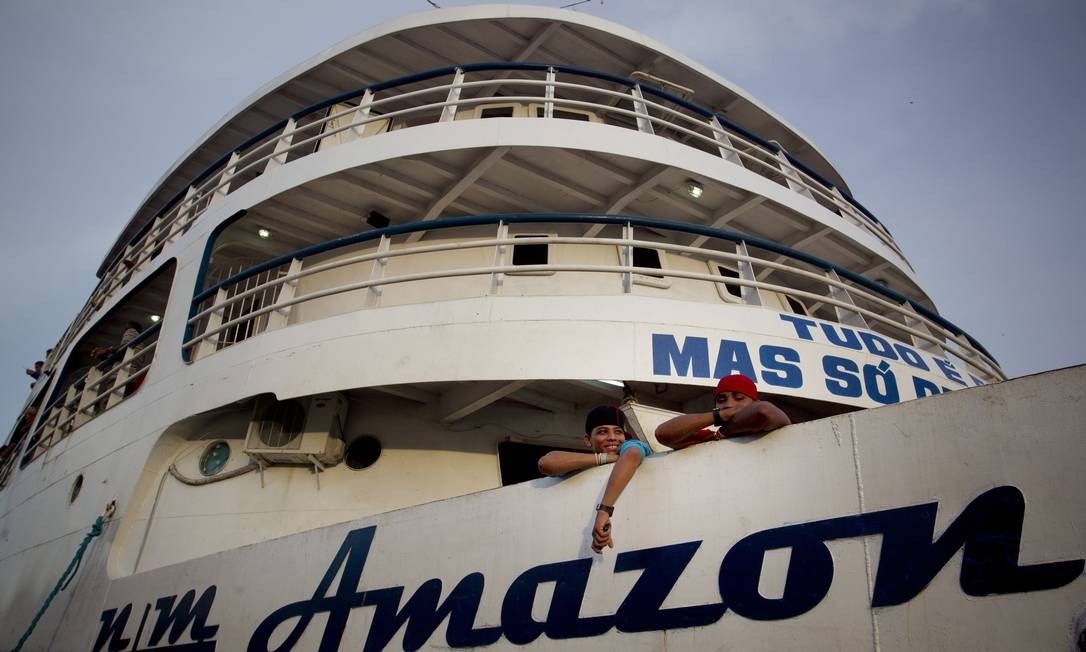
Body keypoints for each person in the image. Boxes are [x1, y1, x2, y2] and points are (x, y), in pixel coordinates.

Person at [538, 405, 652, 553]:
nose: (612, 437)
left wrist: (604, 511)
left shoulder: (631, 446)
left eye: (618, 432)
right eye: (602, 432)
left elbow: (632, 454)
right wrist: (605, 458)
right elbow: (545, 463)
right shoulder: (587, 461)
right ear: (587, 439)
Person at [655, 374, 791, 450]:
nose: (729, 404)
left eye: (738, 398)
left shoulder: (765, 428)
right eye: (721, 400)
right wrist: (719, 415)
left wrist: (725, 432)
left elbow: (764, 411)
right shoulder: (711, 437)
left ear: (754, 402)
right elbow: (663, 434)